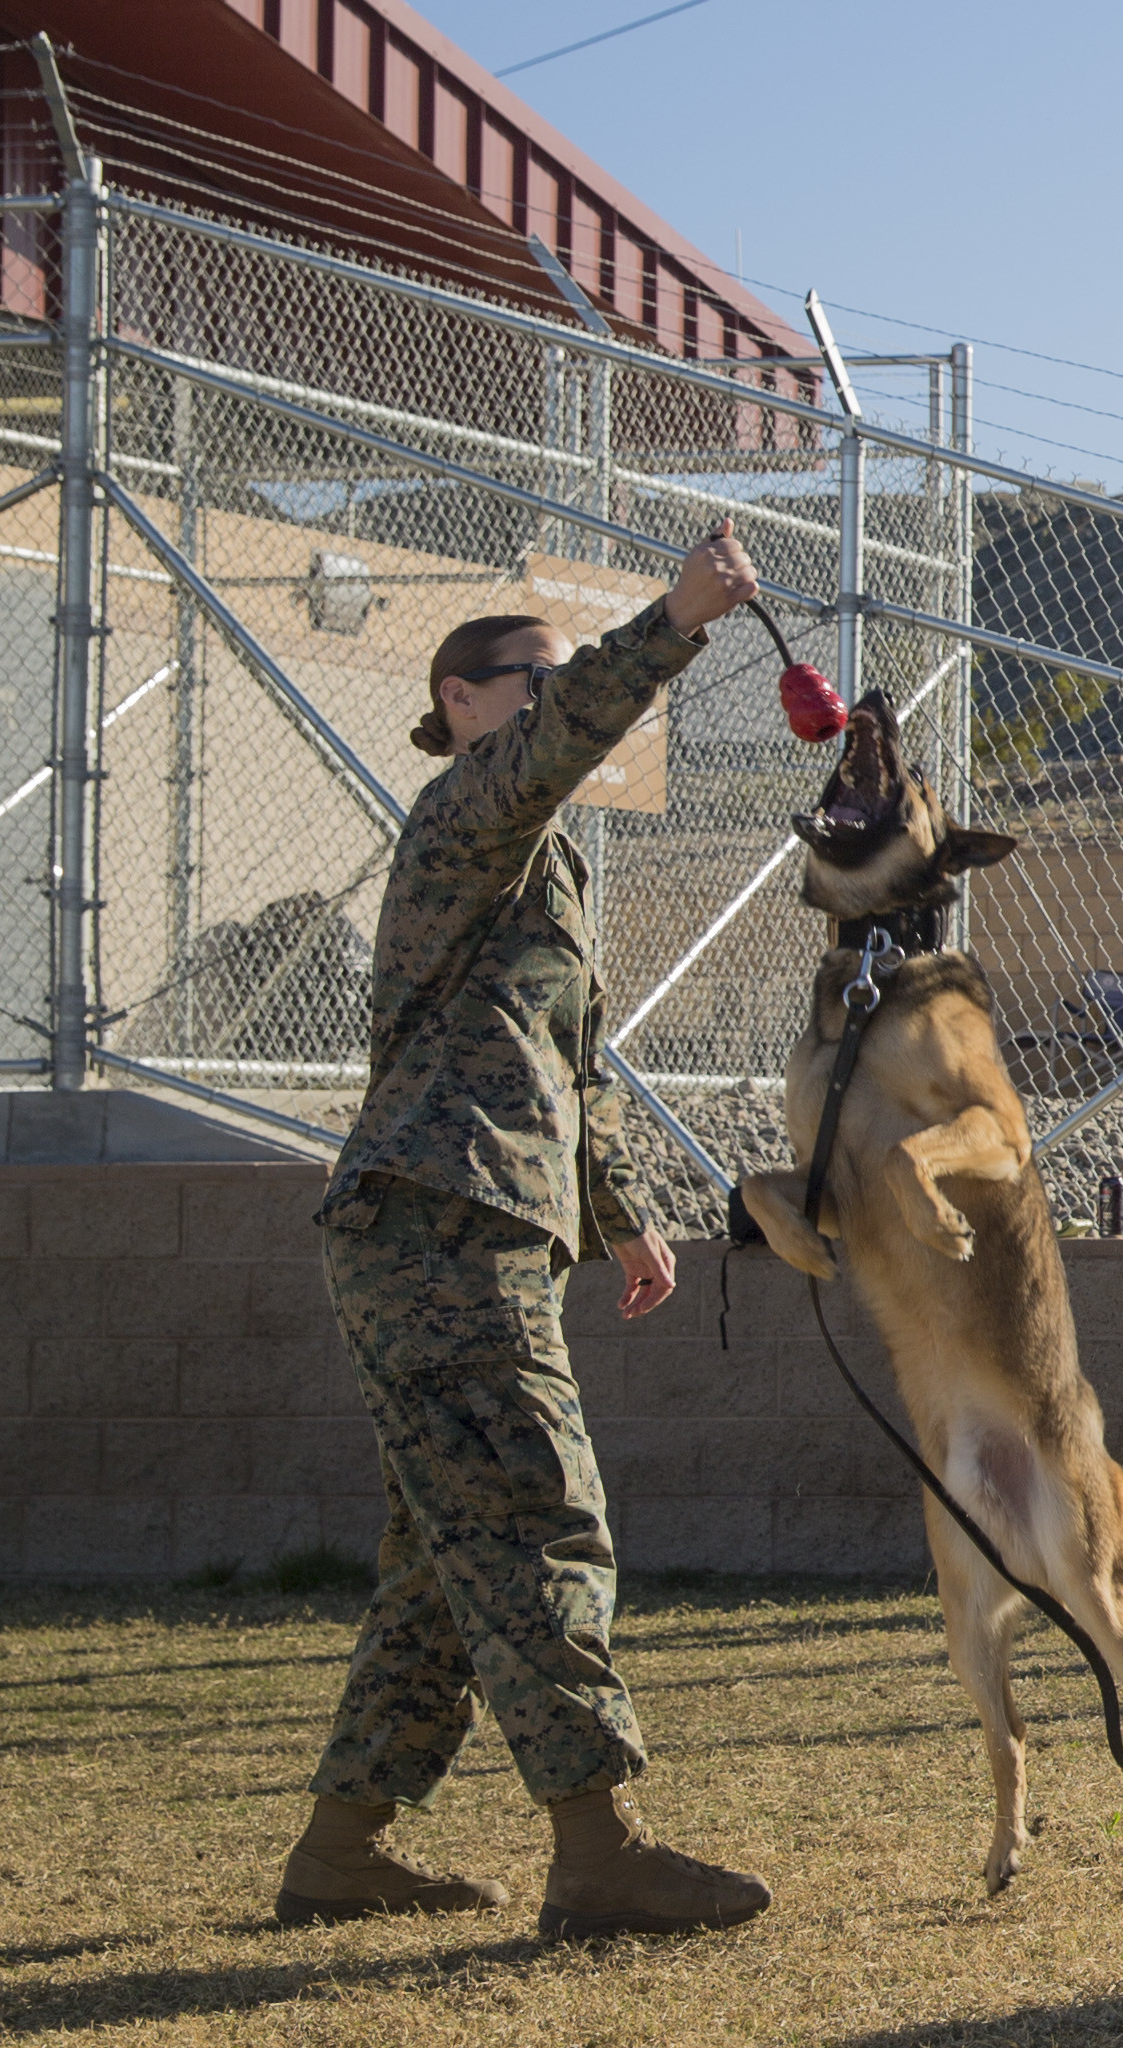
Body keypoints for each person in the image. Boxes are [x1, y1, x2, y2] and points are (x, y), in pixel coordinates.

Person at [277, 522, 774, 1941]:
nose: (555, 696)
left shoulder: (543, 861)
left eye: (554, 678)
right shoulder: (466, 814)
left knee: (442, 1562)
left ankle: (339, 1852)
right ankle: (600, 1849)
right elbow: (566, 731)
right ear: (464, 705)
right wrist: (673, 621)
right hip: (440, 1221)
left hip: (482, 1220)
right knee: (537, 1516)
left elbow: (569, 1061)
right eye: (527, 676)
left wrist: (618, 1218)